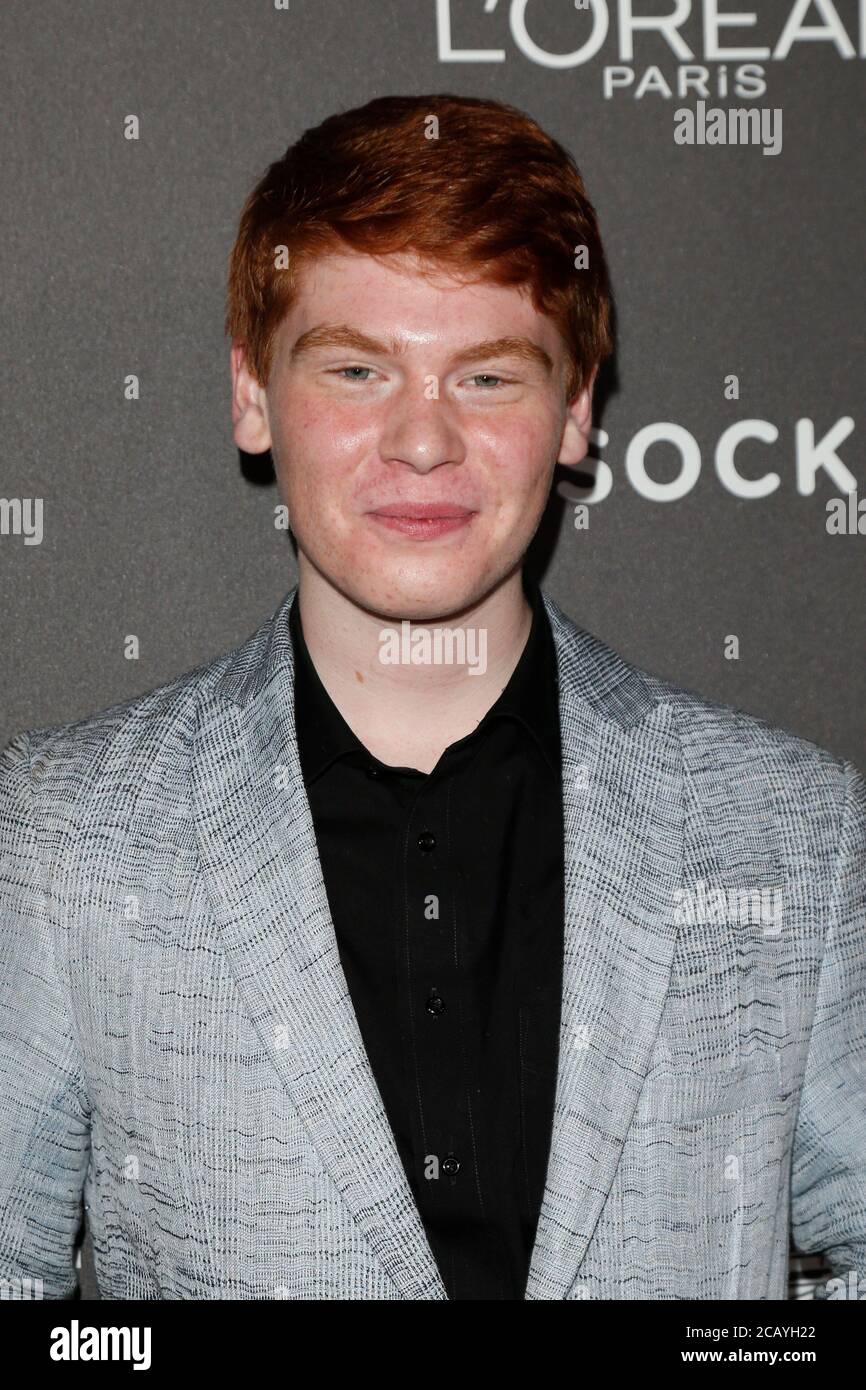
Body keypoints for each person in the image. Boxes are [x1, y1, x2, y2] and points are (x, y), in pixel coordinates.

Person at [1, 94, 863, 1301]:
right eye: (356, 368)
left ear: (573, 411)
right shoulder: (62, 834)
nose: (420, 441)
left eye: (487, 377)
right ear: (252, 394)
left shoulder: (793, 834)